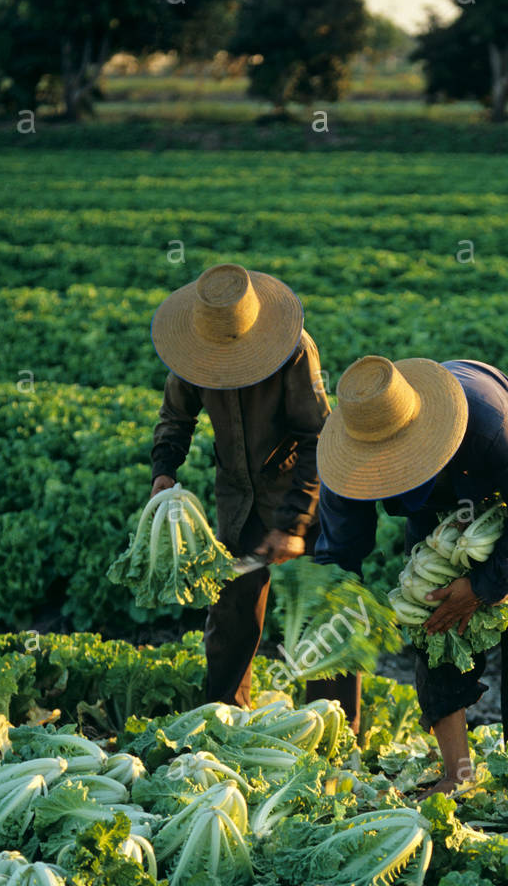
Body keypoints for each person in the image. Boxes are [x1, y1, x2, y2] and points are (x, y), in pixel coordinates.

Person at [315, 355, 508, 793]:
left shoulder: (491, 425)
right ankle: (458, 774)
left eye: (405, 467)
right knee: (433, 619)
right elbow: (340, 556)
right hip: (439, 506)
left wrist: (480, 587)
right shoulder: (348, 464)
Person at [147, 262, 357, 722]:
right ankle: (224, 717)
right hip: (237, 494)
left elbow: (317, 437)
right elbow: (176, 416)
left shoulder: (293, 351)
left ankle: (336, 725)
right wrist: (164, 469)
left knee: (323, 608)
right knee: (231, 611)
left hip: (304, 488)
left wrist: (293, 522)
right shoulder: (192, 352)